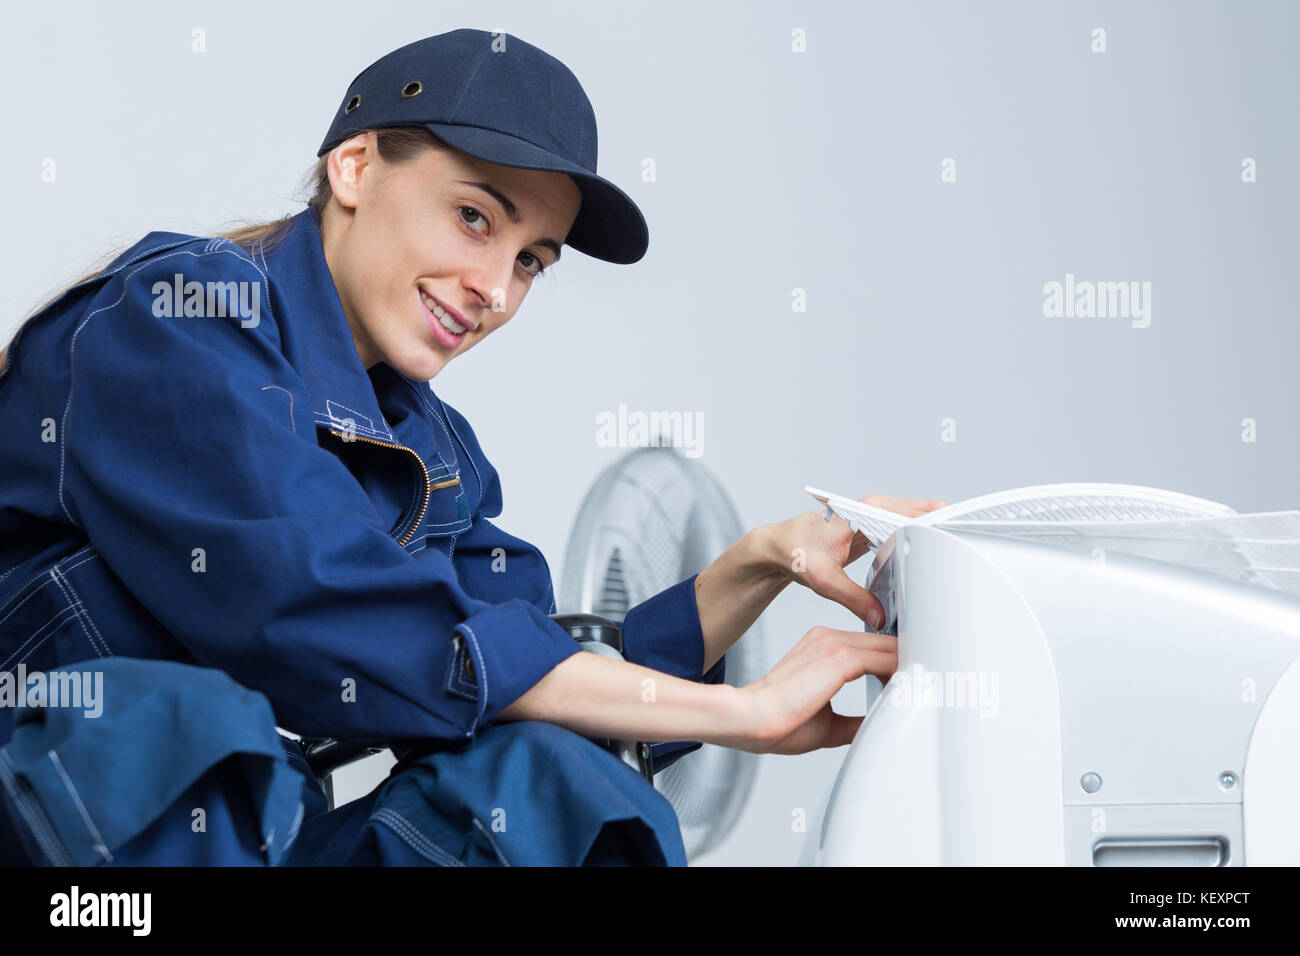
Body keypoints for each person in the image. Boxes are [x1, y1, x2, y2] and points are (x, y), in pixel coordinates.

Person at [0, 28, 943, 866]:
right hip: (69, 816)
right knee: (173, 726)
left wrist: (764, 561)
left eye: (532, 260)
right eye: (476, 217)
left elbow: (539, 666)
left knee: (555, 781)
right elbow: (319, 597)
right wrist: (745, 714)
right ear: (356, 168)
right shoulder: (179, 315)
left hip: (259, 835)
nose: (496, 288)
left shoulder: (433, 453)